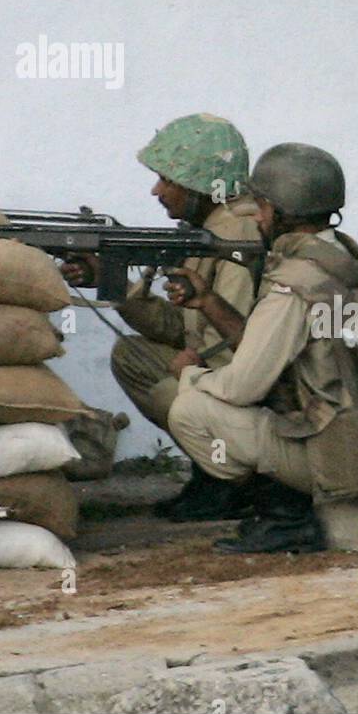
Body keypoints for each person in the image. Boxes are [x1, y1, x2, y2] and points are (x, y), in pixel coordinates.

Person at [165, 143, 358, 554]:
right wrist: (208, 301)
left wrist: (191, 377)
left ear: (282, 211)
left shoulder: (295, 284)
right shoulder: (343, 257)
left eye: (262, 207)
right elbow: (283, 352)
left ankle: (288, 518)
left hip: (343, 464)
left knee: (191, 409)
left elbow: (241, 387)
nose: (258, 218)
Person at [62, 113, 263, 521]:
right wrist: (111, 281)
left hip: (249, 391)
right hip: (228, 380)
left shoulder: (234, 234)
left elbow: (242, 340)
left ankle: (233, 477)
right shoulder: (208, 226)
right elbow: (179, 325)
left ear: (198, 182)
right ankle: (215, 468)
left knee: (179, 383)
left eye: (167, 179)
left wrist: (200, 359)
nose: (157, 190)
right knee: (132, 354)